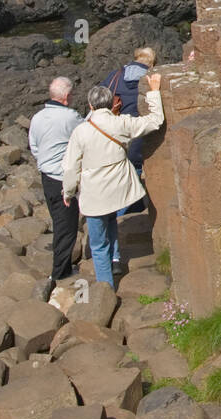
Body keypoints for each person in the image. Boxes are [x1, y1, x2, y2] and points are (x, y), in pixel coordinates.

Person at [62, 74, 164, 288]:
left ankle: (105, 287)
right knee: (112, 222)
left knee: (98, 244)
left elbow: (71, 167)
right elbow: (155, 121)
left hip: (95, 192)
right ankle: (116, 259)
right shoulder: (121, 123)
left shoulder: (81, 131)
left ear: (90, 105)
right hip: (119, 188)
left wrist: (68, 193)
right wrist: (154, 91)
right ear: (112, 103)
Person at [28, 76, 83, 285]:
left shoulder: (37, 117)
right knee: (66, 227)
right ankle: (60, 273)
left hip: (46, 176)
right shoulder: (71, 117)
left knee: (58, 221)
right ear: (67, 96)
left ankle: (63, 266)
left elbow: (34, 147)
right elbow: (83, 137)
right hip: (62, 178)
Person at [102, 46, 156, 215]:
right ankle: (123, 218)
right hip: (138, 137)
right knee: (134, 173)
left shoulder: (115, 76)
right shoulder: (151, 80)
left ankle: (126, 212)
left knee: (120, 177)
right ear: (152, 62)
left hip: (114, 136)